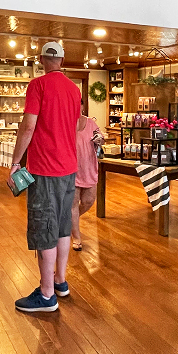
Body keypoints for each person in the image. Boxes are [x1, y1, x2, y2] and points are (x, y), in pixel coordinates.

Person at [8, 41, 81, 313]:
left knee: (44, 228)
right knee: (62, 226)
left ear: (41, 59)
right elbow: (76, 126)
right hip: (68, 168)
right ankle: (60, 281)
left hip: (44, 168)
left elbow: (28, 126)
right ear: (62, 59)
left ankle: (47, 293)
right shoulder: (74, 90)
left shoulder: (37, 86)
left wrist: (16, 162)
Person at [71, 108, 104, 251]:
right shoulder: (65, 122)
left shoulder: (91, 123)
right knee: (72, 204)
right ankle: (76, 237)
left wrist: (100, 139)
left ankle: (68, 221)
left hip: (89, 167)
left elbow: (100, 137)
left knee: (88, 201)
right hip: (70, 168)